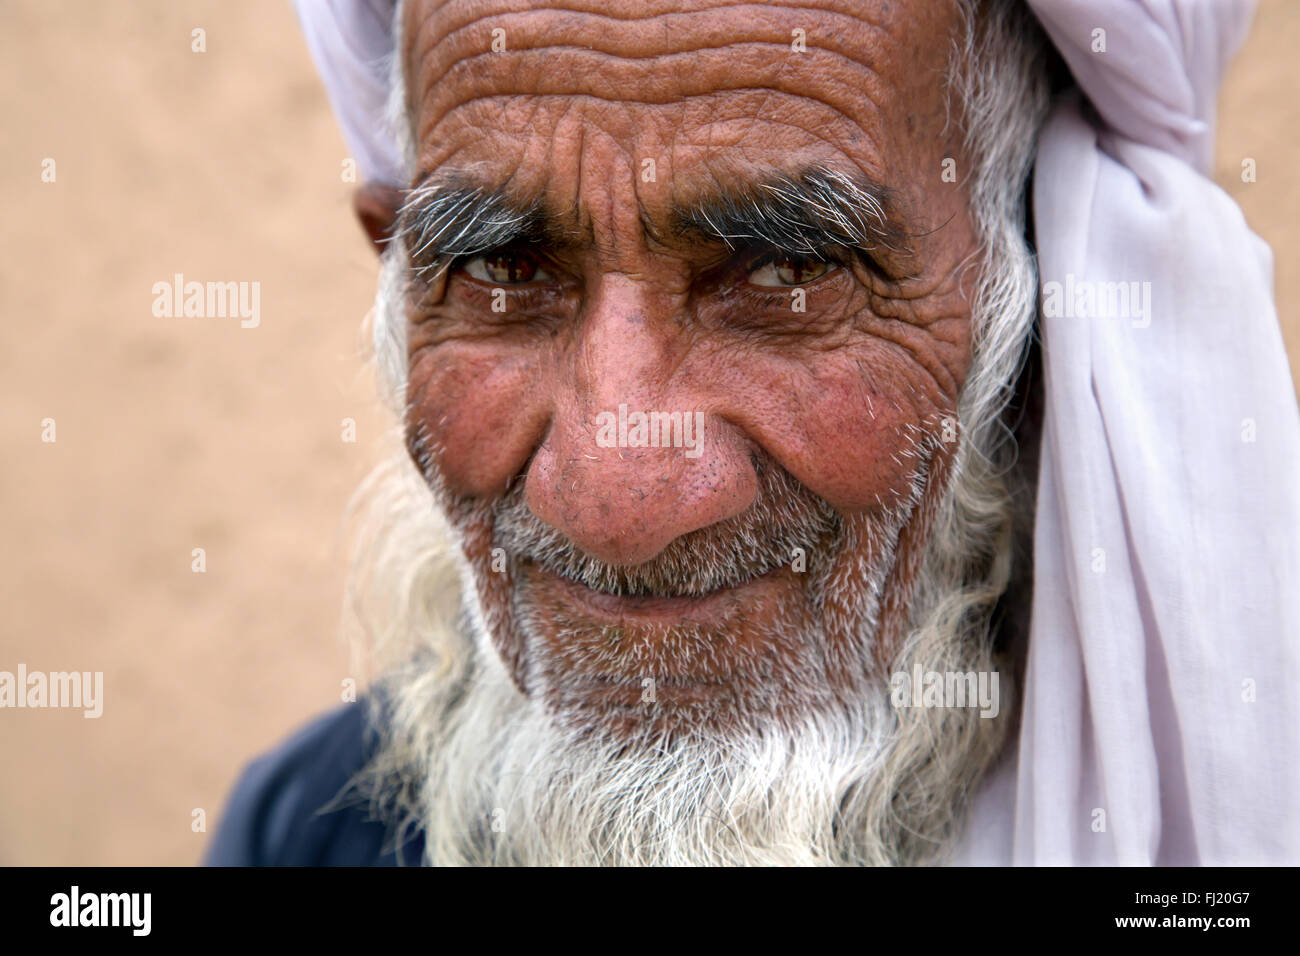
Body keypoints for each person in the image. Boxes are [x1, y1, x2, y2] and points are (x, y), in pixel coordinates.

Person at [206, 0, 1300, 866]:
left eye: (785, 273)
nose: (614, 497)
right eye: (503, 270)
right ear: (396, 272)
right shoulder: (307, 832)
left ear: (1047, 287)